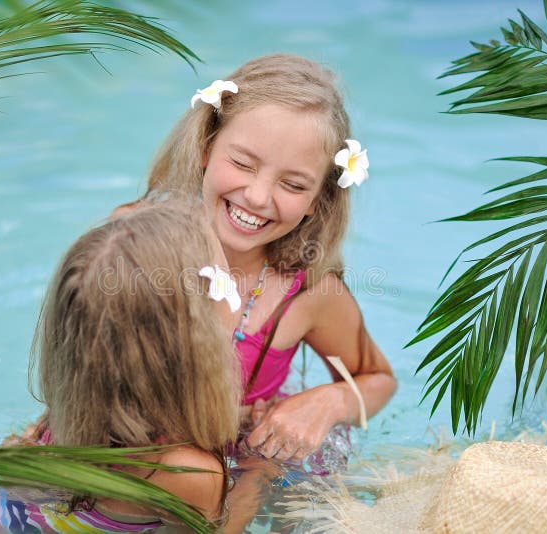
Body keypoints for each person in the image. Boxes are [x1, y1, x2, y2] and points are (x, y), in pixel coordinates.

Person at [138, 54, 397, 463]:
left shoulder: (310, 293)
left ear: (318, 200)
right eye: (242, 163)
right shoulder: (132, 242)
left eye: (293, 185)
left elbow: (377, 380)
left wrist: (327, 402)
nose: (258, 197)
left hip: (244, 470)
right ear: (206, 146)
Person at [0, 200, 245, 532]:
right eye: (227, 278)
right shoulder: (186, 474)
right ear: (199, 342)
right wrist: (261, 474)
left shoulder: (76, 409)